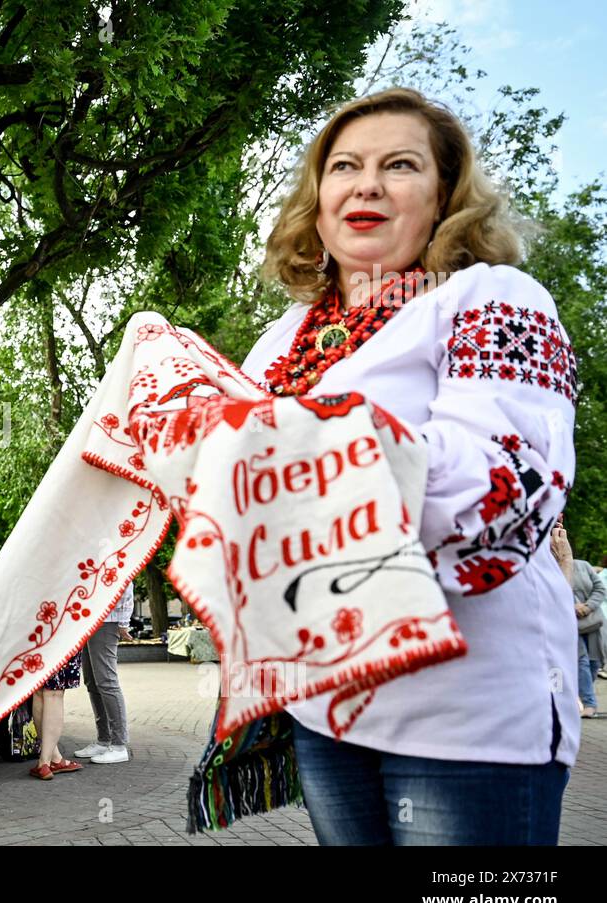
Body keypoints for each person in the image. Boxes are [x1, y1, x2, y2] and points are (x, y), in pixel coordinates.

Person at [240, 87, 578, 844]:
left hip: (465, 715)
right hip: (326, 705)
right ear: (319, 200)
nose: (366, 184)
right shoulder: (280, 340)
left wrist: (305, 462)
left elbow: (505, 487)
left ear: (444, 197)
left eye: (399, 165)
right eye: (345, 167)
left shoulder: (489, 295)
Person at [75, 581, 132, 764]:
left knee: (107, 682)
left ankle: (119, 745)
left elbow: (126, 583)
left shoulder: (113, 554)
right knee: (92, 682)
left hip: (108, 620)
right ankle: (103, 739)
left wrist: (124, 621)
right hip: (90, 620)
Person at [567, 548, 605, 717]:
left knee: (595, 663)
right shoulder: (550, 568)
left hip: (591, 622)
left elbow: (600, 589)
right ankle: (589, 703)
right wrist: (571, 607)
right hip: (570, 624)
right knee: (581, 661)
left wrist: (587, 606)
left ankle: (581, 696)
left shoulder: (583, 566)